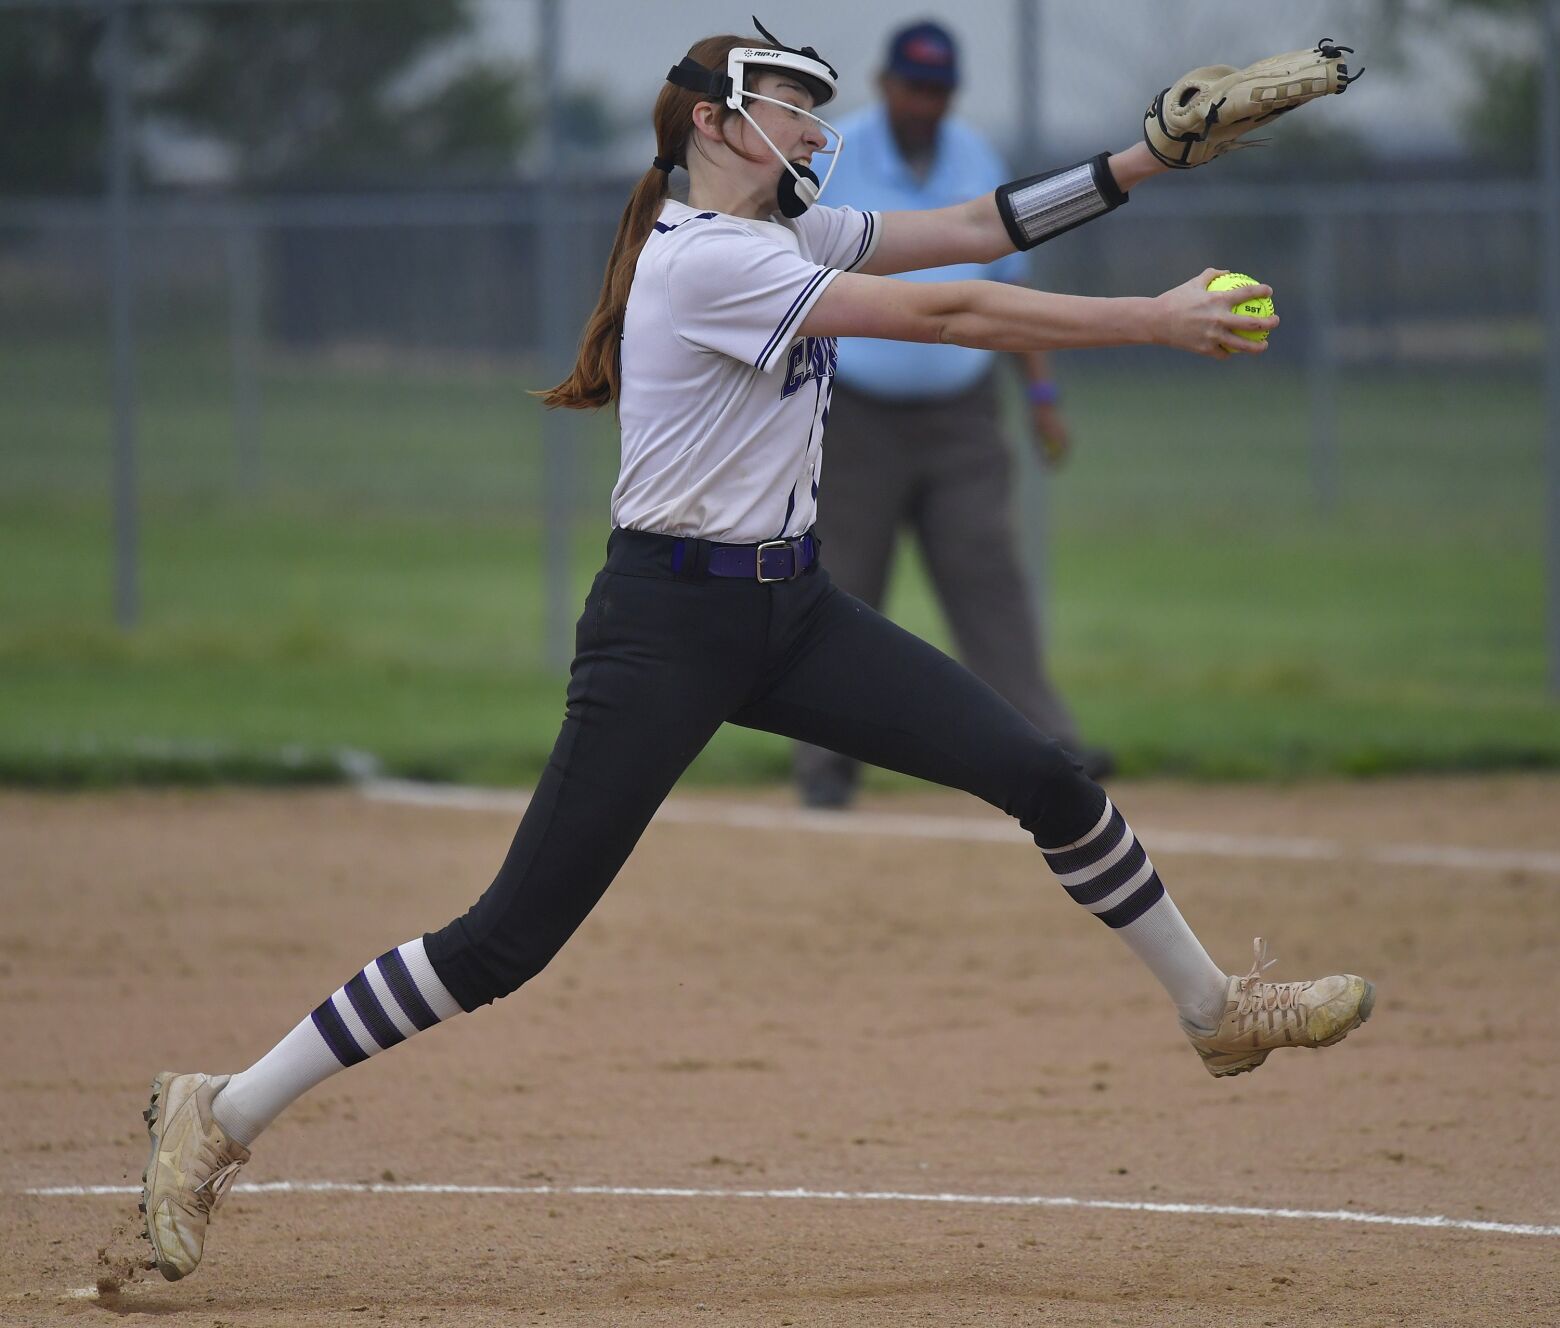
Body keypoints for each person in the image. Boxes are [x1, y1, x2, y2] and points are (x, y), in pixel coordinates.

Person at [139, 26, 1373, 1283]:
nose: (810, 126)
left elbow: (977, 229)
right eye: (786, 103)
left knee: (1045, 774)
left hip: (793, 612)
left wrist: (1146, 158)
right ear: (714, 123)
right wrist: (1152, 319)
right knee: (504, 939)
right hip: (666, 628)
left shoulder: (789, 235)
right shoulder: (707, 259)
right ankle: (220, 1108)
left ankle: (1215, 1008)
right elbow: (947, 310)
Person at [792, 19, 1109, 810]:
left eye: (939, 90)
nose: (925, 102)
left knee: (988, 578)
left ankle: (1049, 748)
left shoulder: (974, 156)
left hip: (963, 416)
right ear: (885, 83)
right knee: (841, 590)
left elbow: (1013, 290)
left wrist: (1042, 396)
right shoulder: (835, 155)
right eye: (914, 86)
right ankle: (826, 767)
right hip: (853, 415)